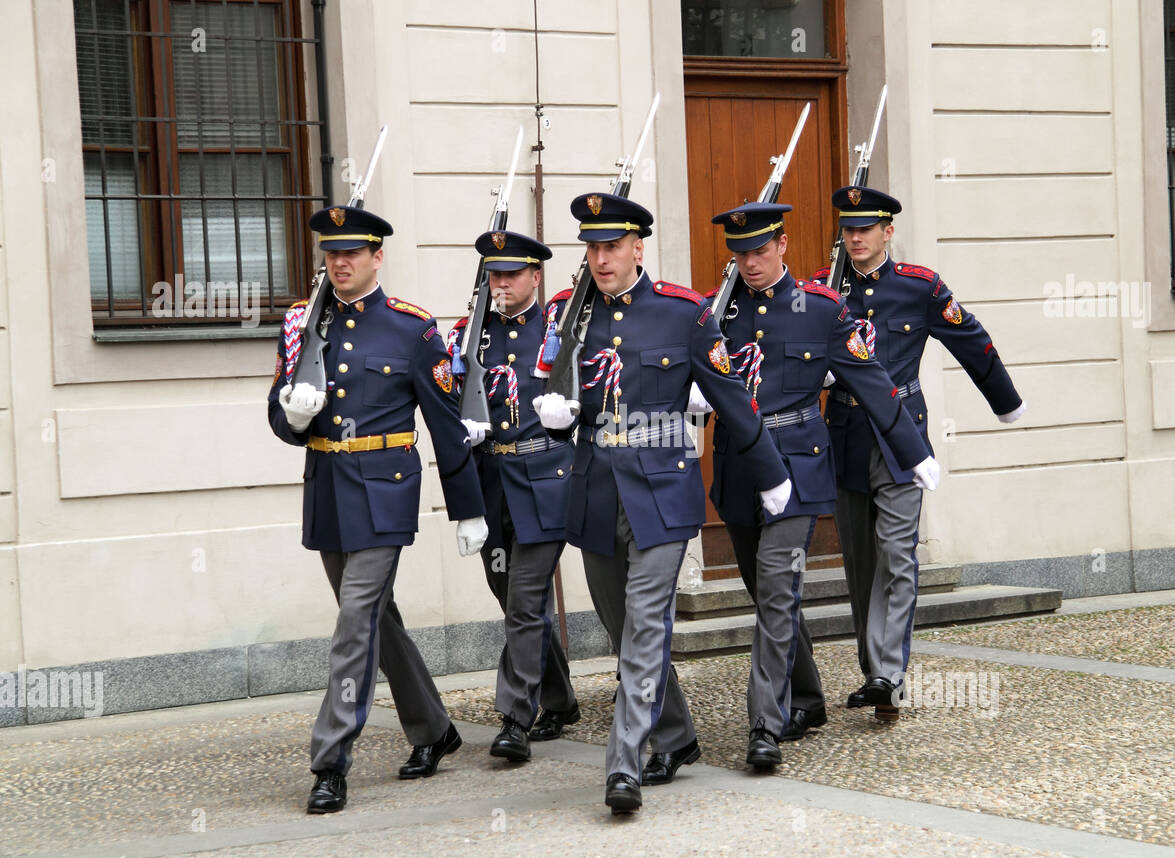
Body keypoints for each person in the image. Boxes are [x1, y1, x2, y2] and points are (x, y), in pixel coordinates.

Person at [532, 193, 790, 814]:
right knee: (622, 628)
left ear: (637, 248)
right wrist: (557, 420)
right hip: (596, 491)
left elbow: (732, 398)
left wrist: (771, 473)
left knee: (647, 625)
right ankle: (676, 735)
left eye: (612, 247)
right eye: (592, 248)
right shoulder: (565, 312)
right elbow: (553, 395)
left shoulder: (683, 313)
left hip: (663, 493)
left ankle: (624, 764)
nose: (600, 259)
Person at [268, 204, 490, 813]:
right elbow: (279, 420)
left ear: (376, 257)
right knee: (373, 620)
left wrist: (467, 507)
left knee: (353, 624)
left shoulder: (411, 330)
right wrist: (293, 415)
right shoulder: (303, 323)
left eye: (352, 253)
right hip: (328, 490)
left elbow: (445, 424)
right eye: (331, 253)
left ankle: (330, 760)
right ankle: (433, 728)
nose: (340, 263)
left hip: (385, 493)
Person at [700, 202, 937, 767]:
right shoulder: (713, 311)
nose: (750, 263)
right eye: (740, 253)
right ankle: (807, 697)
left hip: (797, 468)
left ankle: (765, 724)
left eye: (760, 250)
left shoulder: (823, 309)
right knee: (765, 591)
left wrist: (913, 450)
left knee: (778, 590)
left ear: (782, 245)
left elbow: (872, 381)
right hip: (737, 465)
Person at [809, 186, 1025, 720]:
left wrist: (1005, 402)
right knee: (860, 562)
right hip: (845, 433)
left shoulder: (918, 287)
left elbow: (971, 338)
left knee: (897, 554)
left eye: (866, 228)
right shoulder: (821, 289)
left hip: (901, 436)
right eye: (848, 229)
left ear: (888, 231)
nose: (855, 237)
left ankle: (888, 674)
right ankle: (874, 672)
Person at [450, 230, 580, 762]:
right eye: (494, 275)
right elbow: (446, 404)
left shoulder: (559, 333)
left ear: (535, 276)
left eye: (512, 274)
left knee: (526, 600)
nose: (501, 283)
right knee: (511, 598)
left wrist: (568, 421)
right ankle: (560, 699)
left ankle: (514, 718)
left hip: (545, 480)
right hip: (491, 483)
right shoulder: (468, 336)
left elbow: (584, 400)